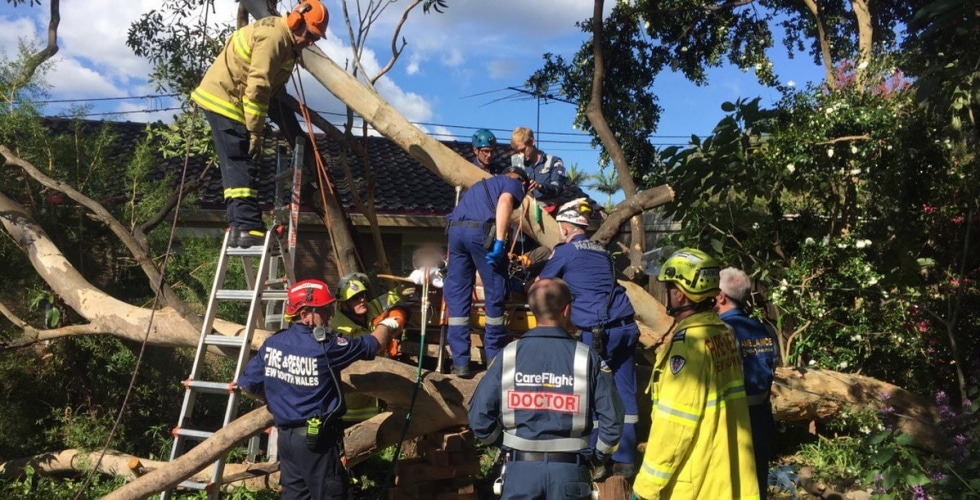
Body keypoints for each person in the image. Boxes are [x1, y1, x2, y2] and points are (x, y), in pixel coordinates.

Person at [237, 279, 403, 500]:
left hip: (286, 440)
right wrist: (390, 323)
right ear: (306, 314)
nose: (330, 316)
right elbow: (373, 344)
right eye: (325, 310)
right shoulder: (325, 347)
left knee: (296, 495)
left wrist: (276, 401)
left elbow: (248, 384)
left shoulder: (273, 344)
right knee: (330, 493)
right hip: (317, 440)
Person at [467, 278, 624, 499]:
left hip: (520, 472)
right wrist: (596, 458)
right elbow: (613, 420)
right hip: (571, 472)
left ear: (532, 309)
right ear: (567, 309)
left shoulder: (509, 355)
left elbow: (479, 418)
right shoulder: (587, 357)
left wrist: (504, 445)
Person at [191, 0, 329, 248]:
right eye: (310, 35)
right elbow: (258, 87)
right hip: (226, 100)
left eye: (316, 39)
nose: (311, 42)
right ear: (297, 21)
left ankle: (239, 225)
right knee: (239, 161)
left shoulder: (283, 40)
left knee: (239, 163)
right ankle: (245, 225)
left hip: (229, 100)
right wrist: (255, 131)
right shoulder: (274, 38)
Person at [633, 249, 759, 499]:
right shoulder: (723, 333)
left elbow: (676, 425)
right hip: (725, 475)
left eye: (669, 287)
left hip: (695, 480)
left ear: (679, 294)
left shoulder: (688, 346)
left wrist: (645, 487)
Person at [535, 198, 641, 478]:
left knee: (592, 395)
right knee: (625, 392)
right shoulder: (601, 251)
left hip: (598, 333)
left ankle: (595, 459)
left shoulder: (565, 252)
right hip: (627, 327)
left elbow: (542, 287)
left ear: (567, 228)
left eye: (560, 227)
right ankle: (626, 459)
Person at [444, 166, 529, 377]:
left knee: (458, 293)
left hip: (455, 232)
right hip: (480, 233)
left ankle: (460, 363)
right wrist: (500, 240)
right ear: (523, 183)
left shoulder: (481, 185)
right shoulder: (514, 183)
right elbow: (505, 202)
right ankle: (494, 358)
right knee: (495, 291)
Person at [717, 267, 778, 499]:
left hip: (734, 420)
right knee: (757, 482)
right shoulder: (762, 329)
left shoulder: (723, 331)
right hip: (762, 417)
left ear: (721, 297)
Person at [329, 273, 407, 424]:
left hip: (378, 399)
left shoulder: (370, 309)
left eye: (363, 295)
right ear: (343, 304)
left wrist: (403, 289)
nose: (362, 300)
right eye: (355, 298)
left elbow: (389, 298)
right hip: (352, 409)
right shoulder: (338, 330)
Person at [510, 126, 567, 208]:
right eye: (517, 152)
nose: (521, 155)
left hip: (548, 209)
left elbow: (557, 188)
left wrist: (539, 186)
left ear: (532, 142)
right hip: (524, 209)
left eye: (523, 150)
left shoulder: (553, 162)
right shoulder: (518, 165)